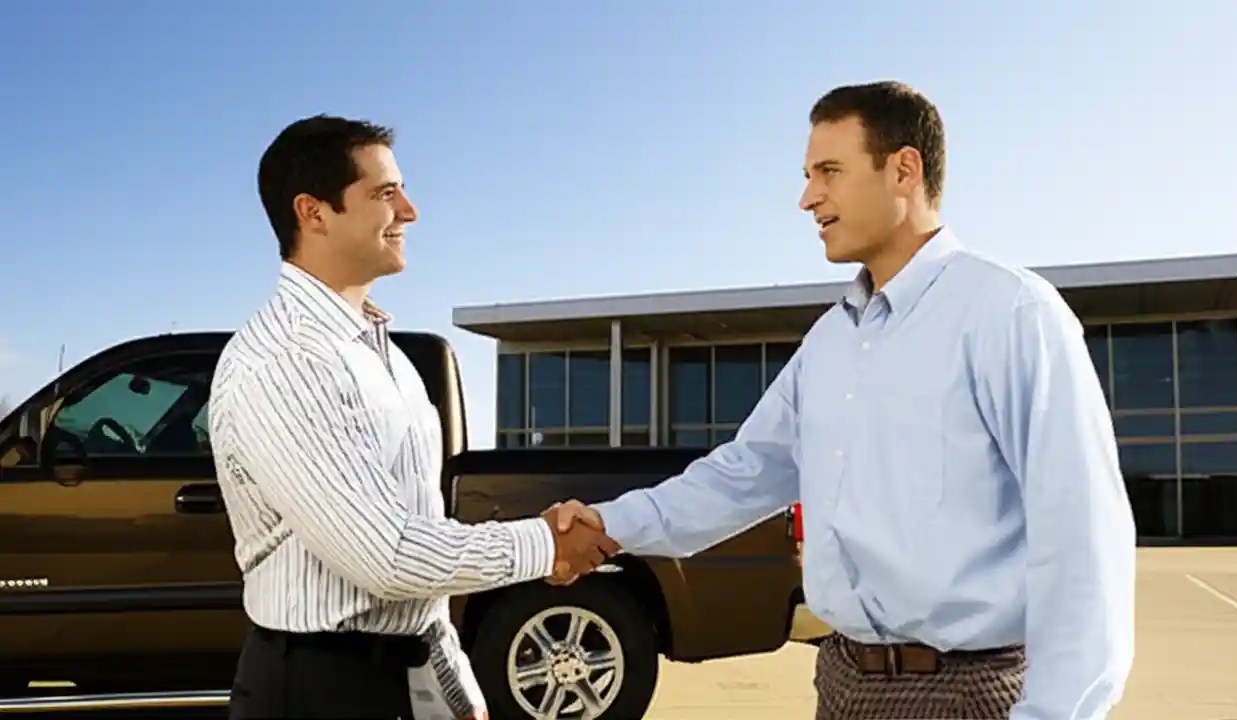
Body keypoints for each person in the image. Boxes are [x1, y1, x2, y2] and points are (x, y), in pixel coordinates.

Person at [549, 81, 1137, 719]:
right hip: (842, 685)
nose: (807, 198)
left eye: (830, 171)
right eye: (807, 175)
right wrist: (611, 525)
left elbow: (1083, 539)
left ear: (903, 170)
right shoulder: (830, 339)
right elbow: (744, 475)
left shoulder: (1010, 313)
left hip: (970, 695)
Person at [208, 114, 618, 720]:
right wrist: (544, 546)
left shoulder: (385, 355)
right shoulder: (283, 361)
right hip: (317, 692)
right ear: (313, 212)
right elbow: (387, 556)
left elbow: (418, 537)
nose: (410, 211)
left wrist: (455, 691)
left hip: (403, 672)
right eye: (383, 193)